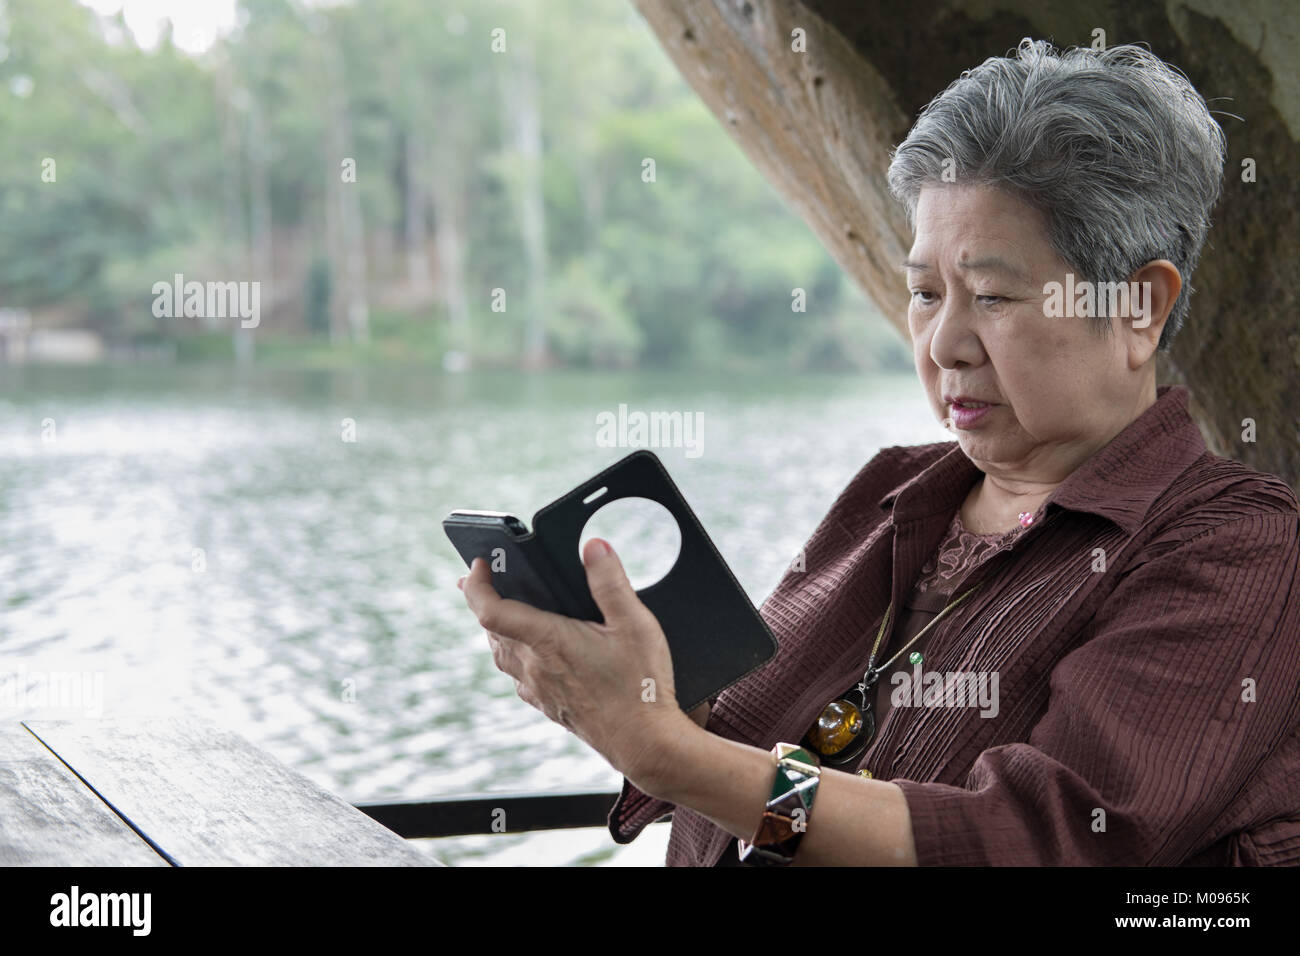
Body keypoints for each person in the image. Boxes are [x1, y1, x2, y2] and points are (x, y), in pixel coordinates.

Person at [457, 38, 1300, 865]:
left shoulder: (1238, 549)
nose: (944, 345)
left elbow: (1032, 841)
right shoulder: (893, 490)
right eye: (925, 293)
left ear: (1139, 308)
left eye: (994, 295)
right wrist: (638, 696)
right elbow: (746, 747)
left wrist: (668, 754)